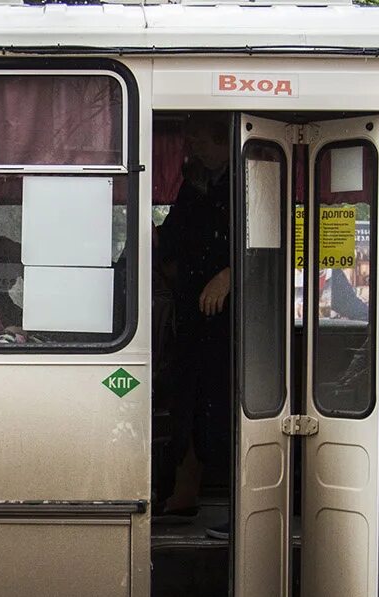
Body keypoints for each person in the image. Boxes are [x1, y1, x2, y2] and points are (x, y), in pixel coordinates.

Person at [156, 113, 233, 534]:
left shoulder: (248, 177)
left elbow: (267, 243)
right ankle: (183, 494)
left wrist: (230, 274)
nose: (195, 150)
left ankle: (241, 510)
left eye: (201, 140)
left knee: (221, 410)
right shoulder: (195, 186)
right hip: (192, 313)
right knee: (186, 403)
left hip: (233, 323)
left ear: (223, 139)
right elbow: (171, 240)